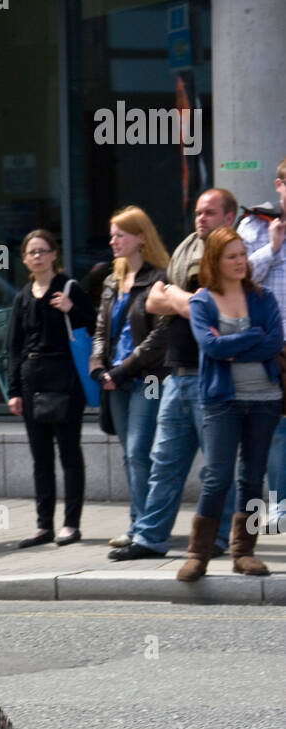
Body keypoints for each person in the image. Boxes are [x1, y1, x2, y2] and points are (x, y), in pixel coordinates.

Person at [110, 188, 239, 561]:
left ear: (229, 218)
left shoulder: (230, 253)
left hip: (213, 375)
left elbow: (216, 307)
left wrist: (180, 298)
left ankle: (217, 538)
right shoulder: (185, 249)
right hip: (177, 374)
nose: (201, 218)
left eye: (210, 213)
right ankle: (151, 538)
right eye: (199, 212)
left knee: (216, 468)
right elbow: (153, 300)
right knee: (163, 461)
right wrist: (189, 299)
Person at [179, 227, 284, 581]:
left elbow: (274, 343)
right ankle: (198, 554)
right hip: (222, 401)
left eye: (242, 254)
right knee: (217, 477)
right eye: (232, 256)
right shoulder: (201, 302)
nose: (241, 261)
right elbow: (211, 348)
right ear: (215, 261)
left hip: (265, 400)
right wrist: (252, 336)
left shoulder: (263, 297)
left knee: (252, 479)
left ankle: (245, 552)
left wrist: (236, 343)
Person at [7, 228, 96, 547]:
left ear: (54, 254)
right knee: (40, 458)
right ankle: (43, 525)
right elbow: (14, 346)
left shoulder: (68, 287)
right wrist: (14, 390)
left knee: (70, 453)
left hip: (65, 379)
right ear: (25, 259)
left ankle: (71, 524)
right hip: (33, 381)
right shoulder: (22, 296)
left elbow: (94, 323)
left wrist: (73, 308)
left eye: (43, 251)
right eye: (32, 252)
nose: (38, 257)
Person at [89, 207, 169, 545]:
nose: (113, 241)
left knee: (139, 450)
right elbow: (102, 328)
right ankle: (139, 521)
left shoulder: (159, 278)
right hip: (114, 380)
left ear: (141, 237)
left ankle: (144, 527)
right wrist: (97, 364)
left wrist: (123, 370)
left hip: (146, 379)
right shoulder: (111, 280)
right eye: (112, 234)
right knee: (127, 452)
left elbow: (159, 336)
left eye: (120, 234)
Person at [238, 155, 286, 533]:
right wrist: (271, 248)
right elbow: (237, 277)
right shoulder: (256, 224)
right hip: (273, 347)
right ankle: (280, 506)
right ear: (278, 185)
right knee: (276, 430)